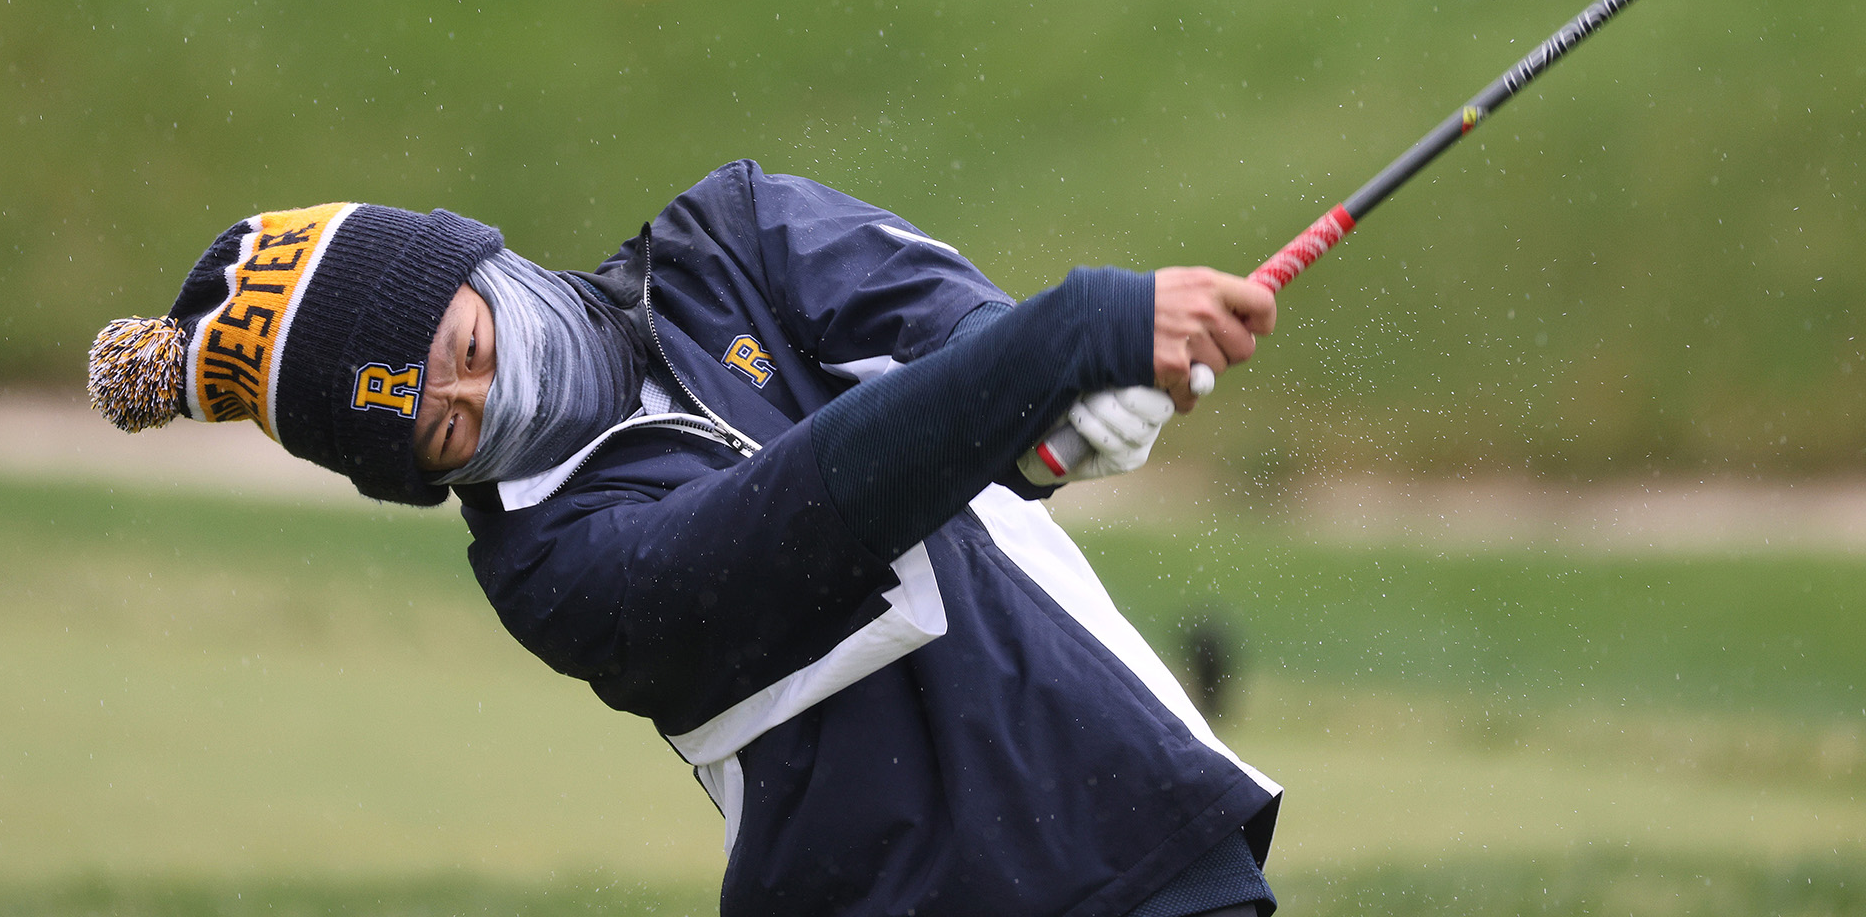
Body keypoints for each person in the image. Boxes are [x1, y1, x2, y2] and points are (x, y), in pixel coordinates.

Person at [88, 160, 1283, 917]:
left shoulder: (736, 238)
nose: (482, 400)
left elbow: (958, 348)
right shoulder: (551, 574)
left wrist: (1064, 413)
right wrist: (1073, 338)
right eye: (440, 437)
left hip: (1141, 819)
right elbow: (818, 507)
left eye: (459, 352)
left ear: (475, 265)